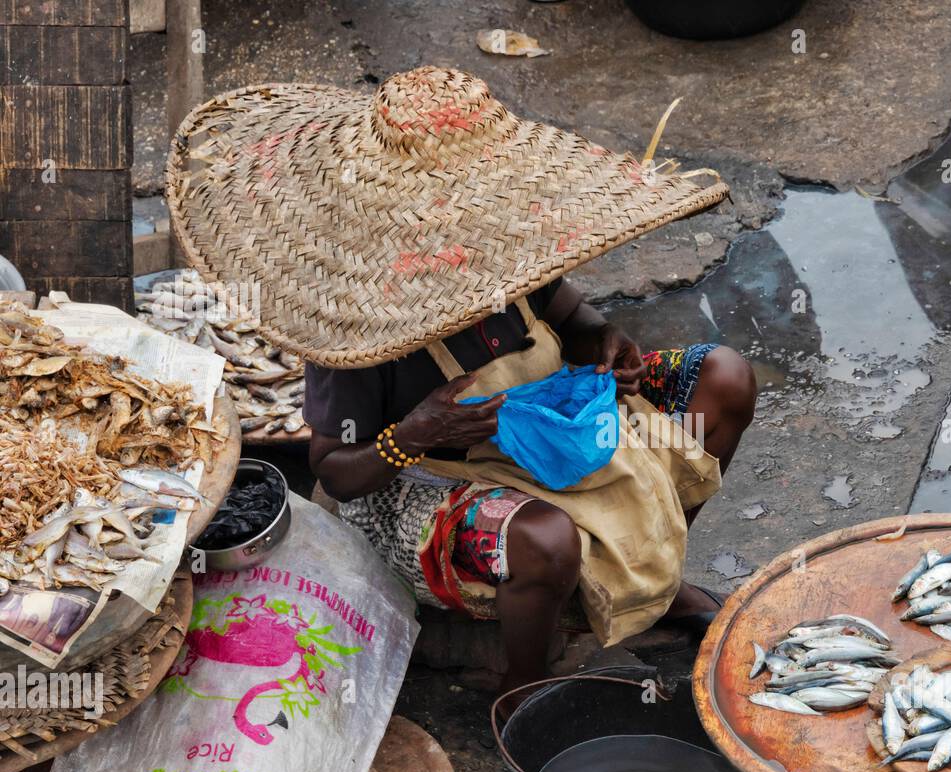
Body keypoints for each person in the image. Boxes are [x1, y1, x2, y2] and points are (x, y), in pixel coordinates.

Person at [167, 66, 754, 700]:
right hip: (431, 479)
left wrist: (606, 343)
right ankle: (522, 683)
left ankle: (652, 582)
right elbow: (335, 471)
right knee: (544, 539)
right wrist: (416, 434)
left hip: (559, 430)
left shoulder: (503, 239)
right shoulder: (356, 323)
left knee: (724, 378)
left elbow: (573, 317)